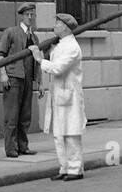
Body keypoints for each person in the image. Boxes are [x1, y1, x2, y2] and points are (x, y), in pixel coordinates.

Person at [31, 14, 87, 181]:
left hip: (69, 96)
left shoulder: (72, 47)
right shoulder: (61, 45)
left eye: (58, 23)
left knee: (71, 134)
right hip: (59, 95)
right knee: (59, 134)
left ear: (65, 27)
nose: (55, 25)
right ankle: (64, 167)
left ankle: (75, 169)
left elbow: (58, 68)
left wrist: (40, 60)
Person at [0, 2, 41, 158]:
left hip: (27, 79)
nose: (30, 17)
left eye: (32, 14)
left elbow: (37, 60)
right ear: (21, 16)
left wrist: (39, 83)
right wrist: (3, 74)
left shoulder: (34, 37)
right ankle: (11, 148)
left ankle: (23, 146)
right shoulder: (11, 32)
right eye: (27, 14)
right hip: (14, 78)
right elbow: (1, 55)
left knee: (25, 115)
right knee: (12, 115)